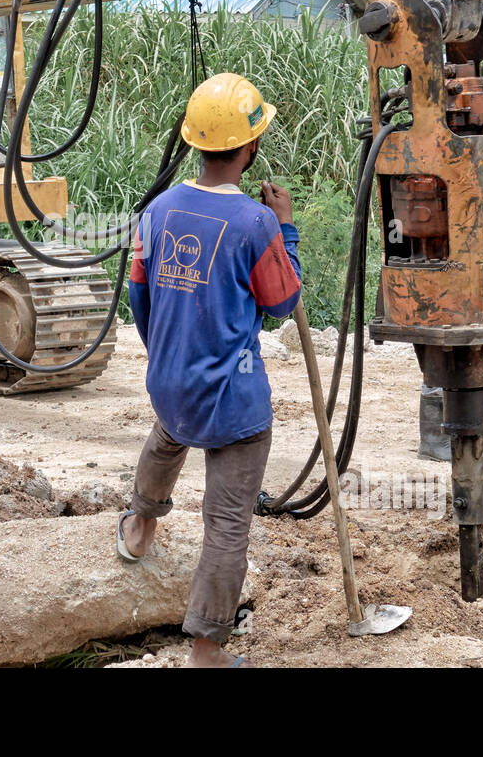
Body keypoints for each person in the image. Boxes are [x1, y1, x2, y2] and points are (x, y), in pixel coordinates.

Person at [117, 73, 302, 668]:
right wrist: (286, 227)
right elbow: (282, 304)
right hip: (233, 403)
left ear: (195, 143)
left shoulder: (157, 210)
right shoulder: (255, 223)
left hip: (171, 384)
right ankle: (205, 651)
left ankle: (140, 524)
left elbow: (139, 296)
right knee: (226, 526)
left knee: (169, 433)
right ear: (249, 149)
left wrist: (166, 353)